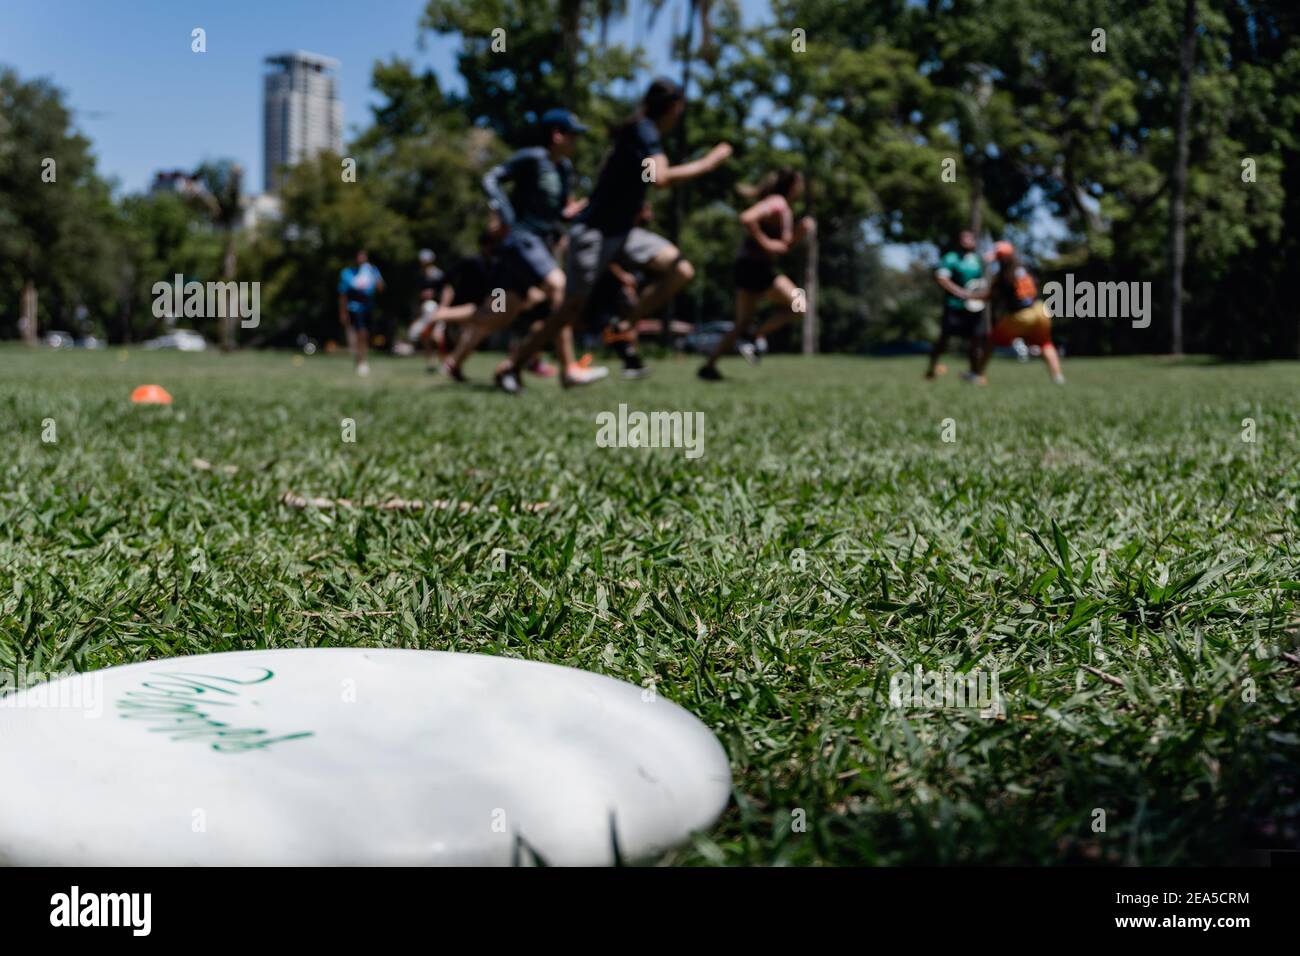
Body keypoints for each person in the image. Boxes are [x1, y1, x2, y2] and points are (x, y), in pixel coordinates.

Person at [492, 77, 732, 394]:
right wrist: (708, 163)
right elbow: (659, 178)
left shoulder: (641, 134)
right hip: (594, 232)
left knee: (680, 269)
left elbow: (635, 177)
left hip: (623, 231)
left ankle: (621, 327)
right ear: (673, 108)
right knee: (569, 308)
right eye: (680, 111)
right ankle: (513, 365)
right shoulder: (644, 130)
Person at [441, 109, 606, 387]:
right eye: (572, 135)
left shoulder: (563, 169)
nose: (576, 142)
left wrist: (577, 211)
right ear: (556, 135)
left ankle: (451, 353)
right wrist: (505, 214)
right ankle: (569, 369)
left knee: (500, 312)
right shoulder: (531, 159)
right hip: (522, 240)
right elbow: (491, 178)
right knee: (559, 287)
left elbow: (560, 213)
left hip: (537, 245)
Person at [699, 168, 816, 380]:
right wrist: (767, 243)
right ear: (792, 185)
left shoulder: (783, 208)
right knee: (800, 304)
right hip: (755, 267)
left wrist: (799, 231)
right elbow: (747, 217)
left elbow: (784, 246)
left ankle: (709, 366)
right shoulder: (777, 203)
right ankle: (753, 336)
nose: (802, 187)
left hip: (752, 267)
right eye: (800, 183)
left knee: (742, 322)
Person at [982, 241, 1065, 384]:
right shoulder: (1025, 267)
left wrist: (967, 295)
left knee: (992, 340)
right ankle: (1057, 377)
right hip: (1040, 309)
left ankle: (977, 373)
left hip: (1022, 314)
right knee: (1045, 343)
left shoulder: (1004, 275)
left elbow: (991, 296)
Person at [926, 229, 988, 384]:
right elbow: (941, 278)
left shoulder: (978, 260)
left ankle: (975, 373)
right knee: (943, 340)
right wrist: (960, 292)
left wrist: (981, 295)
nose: (967, 241)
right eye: (964, 238)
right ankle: (931, 369)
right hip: (954, 306)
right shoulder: (951, 258)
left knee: (976, 340)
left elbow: (982, 282)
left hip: (974, 308)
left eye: (970, 238)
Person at [338, 249, 385, 376]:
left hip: (368, 308)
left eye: (363, 257)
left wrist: (374, 274)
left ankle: (361, 358)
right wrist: (343, 312)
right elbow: (343, 294)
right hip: (354, 308)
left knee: (365, 335)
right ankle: (361, 361)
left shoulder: (371, 271)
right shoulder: (347, 273)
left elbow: (381, 288)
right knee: (360, 333)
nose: (361, 259)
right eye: (359, 257)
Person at [408, 249, 447, 369]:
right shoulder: (420, 275)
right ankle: (430, 362)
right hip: (424, 310)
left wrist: (441, 305)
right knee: (424, 336)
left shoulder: (438, 275)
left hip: (435, 308)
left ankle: (444, 362)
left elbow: (445, 291)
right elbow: (418, 296)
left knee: (437, 336)